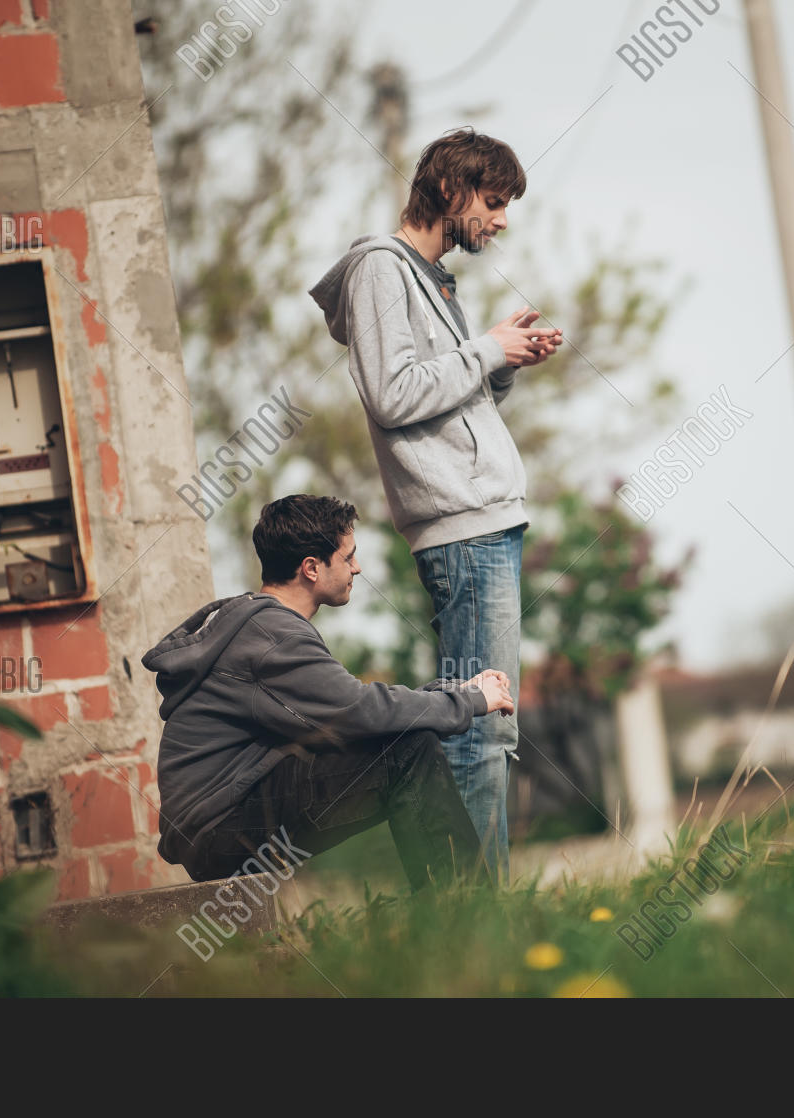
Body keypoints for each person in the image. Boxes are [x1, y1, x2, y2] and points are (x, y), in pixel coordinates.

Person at [309, 127, 561, 881]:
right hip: (465, 531)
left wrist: (505, 360)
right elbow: (394, 395)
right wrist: (485, 350)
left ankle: (468, 915)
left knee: (484, 726)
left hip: (483, 525)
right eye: (494, 201)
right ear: (450, 191)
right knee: (480, 732)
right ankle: (476, 917)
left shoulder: (431, 278)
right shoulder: (384, 270)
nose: (502, 220)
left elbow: (444, 393)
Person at [143, 494, 514, 890]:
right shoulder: (272, 637)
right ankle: (465, 915)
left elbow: (350, 707)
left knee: (400, 739)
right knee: (408, 751)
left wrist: (451, 690)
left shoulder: (261, 625)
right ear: (311, 568)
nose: (357, 567)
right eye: (348, 557)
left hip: (223, 815)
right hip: (220, 828)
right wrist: (470, 701)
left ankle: (455, 915)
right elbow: (359, 710)